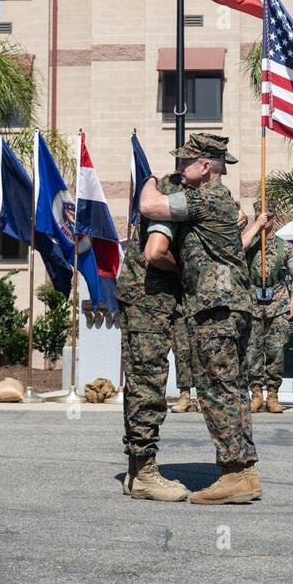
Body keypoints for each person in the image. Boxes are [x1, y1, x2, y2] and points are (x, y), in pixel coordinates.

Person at [139, 133, 260, 504]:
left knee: (216, 391)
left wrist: (147, 178)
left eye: (186, 161)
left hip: (215, 310)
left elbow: (149, 207)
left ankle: (233, 474)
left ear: (206, 167)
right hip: (229, 306)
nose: (179, 167)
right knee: (233, 390)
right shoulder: (221, 202)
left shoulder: (206, 198)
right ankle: (244, 470)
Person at [114, 169, 189, 502]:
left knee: (141, 381)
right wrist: (185, 270)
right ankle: (144, 473)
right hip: (149, 300)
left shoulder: (161, 189)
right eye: (217, 168)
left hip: (142, 299)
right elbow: (156, 252)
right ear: (202, 167)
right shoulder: (173, 198)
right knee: (148, 382)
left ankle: (136, 470)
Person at [242, 202, 293, 413]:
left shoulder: (285, 247)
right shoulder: (248, 244)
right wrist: (255, 227)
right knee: (252, 352)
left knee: (276, 351)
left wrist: (292, 302)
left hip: (277, 303)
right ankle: (256, 394)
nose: (265, 222)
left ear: (273, 219)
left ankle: (274, 394)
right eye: (261, 217)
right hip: (252, 305)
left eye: (268, 218)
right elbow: (237, 248)